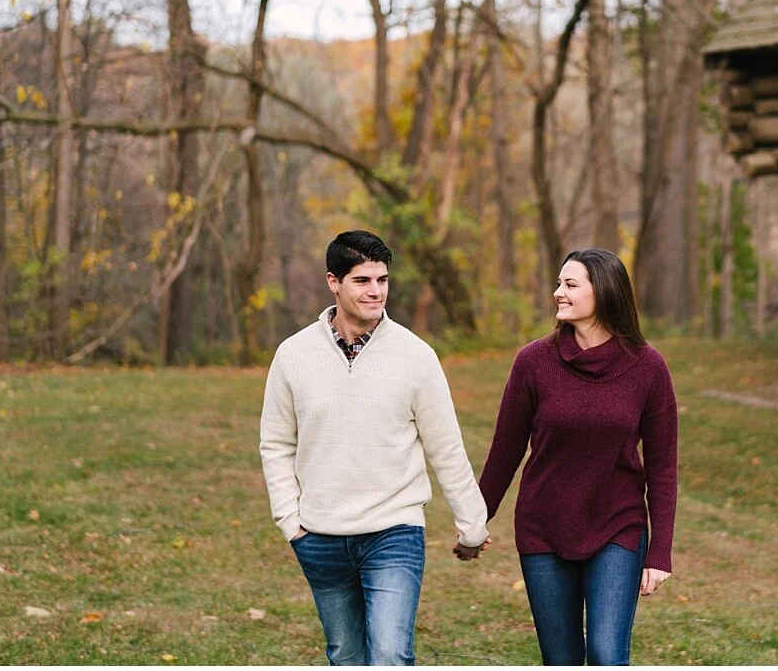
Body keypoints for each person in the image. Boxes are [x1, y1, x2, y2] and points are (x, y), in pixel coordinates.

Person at [259, 229, 491, 666]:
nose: (376, 291)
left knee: (388, 655)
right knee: (345, 655)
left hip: (394, 531)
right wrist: (291, 523)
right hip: (320, 537)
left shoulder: (415, 356)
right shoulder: (293, 355)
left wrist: (472, 524)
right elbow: (275, 444)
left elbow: (446, 447)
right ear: (334, 282)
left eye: (382, 280)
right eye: (363, 281)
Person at [478, 248, 678, 666]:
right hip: (544, 529)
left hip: (616, 527)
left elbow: (661, 467)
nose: (558, 294)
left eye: (570, 285)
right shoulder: (533, 362)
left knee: (607, 654)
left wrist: (660, 552)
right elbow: (505, 451)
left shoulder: (648, 367)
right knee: (561, 659)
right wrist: (474, 520)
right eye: (559, 284)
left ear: (603, 293)